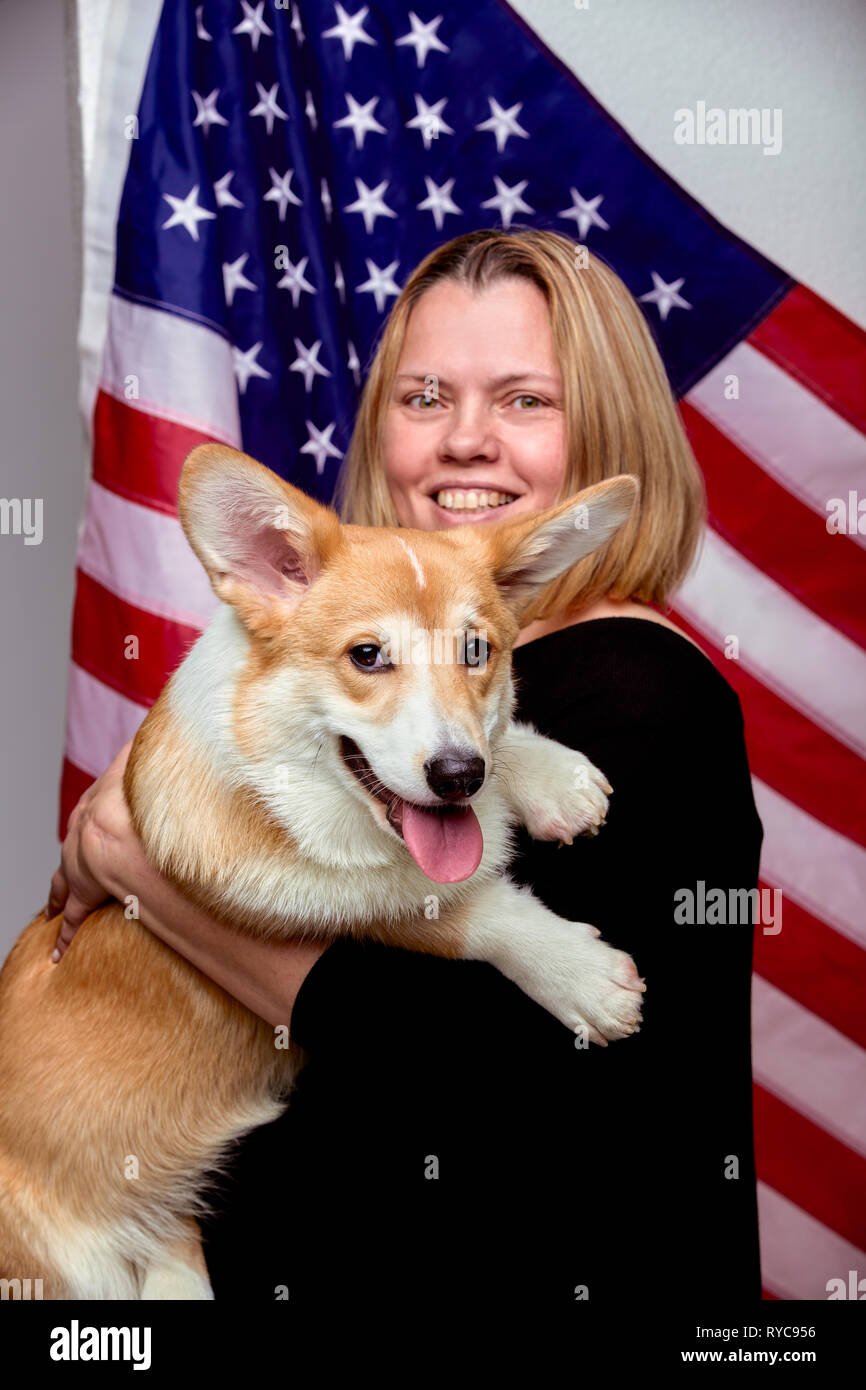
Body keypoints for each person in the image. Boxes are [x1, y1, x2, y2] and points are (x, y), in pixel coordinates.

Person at [47, 228, 762, 1310]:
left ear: (605, 425)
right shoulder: (383, 672)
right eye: (423, 396)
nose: (463, 439)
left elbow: (456, 1070)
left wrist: (134, 864)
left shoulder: (629, 691)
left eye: (524, 400)